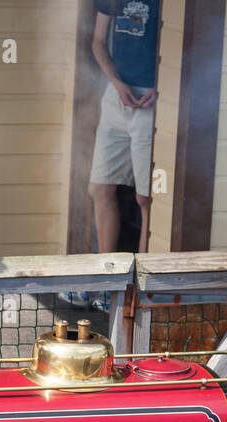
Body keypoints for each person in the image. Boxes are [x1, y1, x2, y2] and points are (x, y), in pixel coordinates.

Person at [88, 0, 160, 254]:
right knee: (99, 188)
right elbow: (98, 43)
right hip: (116, 94)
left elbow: (187, 44)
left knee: (146, 199)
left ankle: (143, 287)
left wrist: (161, 86)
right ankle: (106, 280)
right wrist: (117, 83)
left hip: (152, 101)